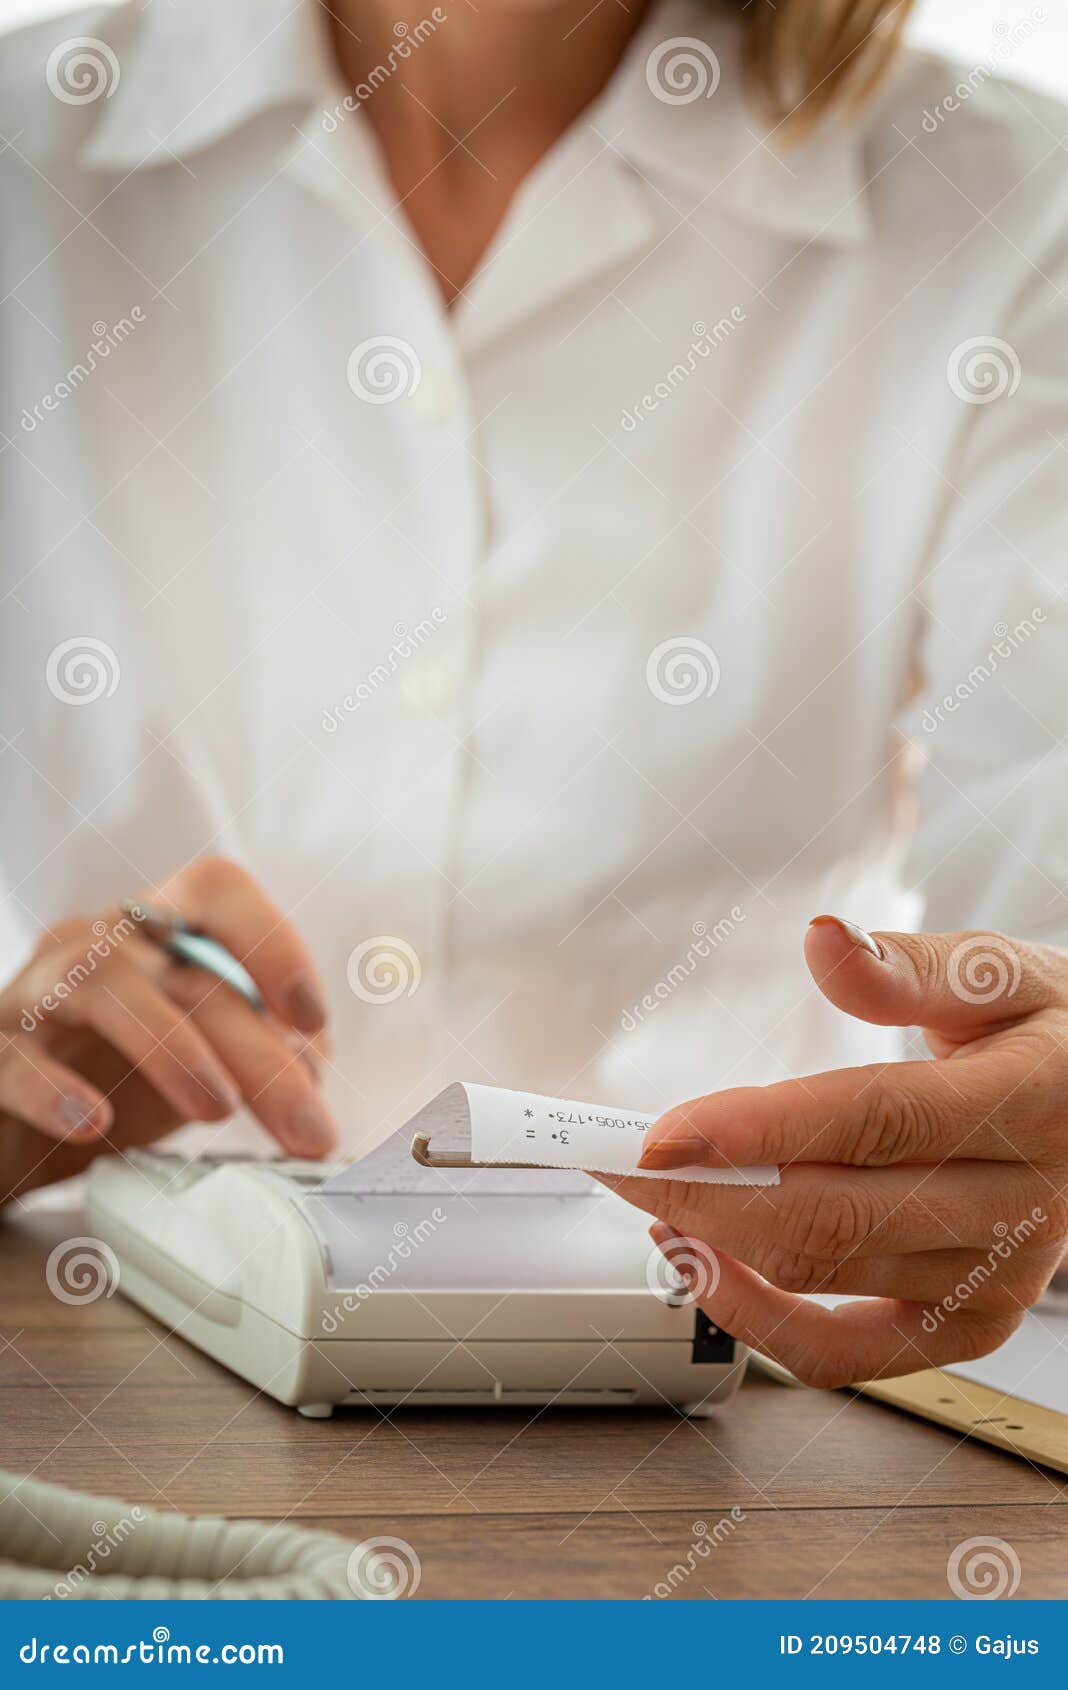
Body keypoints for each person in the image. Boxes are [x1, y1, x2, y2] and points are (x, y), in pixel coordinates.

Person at [1, 0, 1066, 1389]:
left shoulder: (1007, 212)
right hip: (111, 1371)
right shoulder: (33, 161)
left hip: (748, 1407)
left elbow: (1042, 935)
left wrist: (1030, 1122)